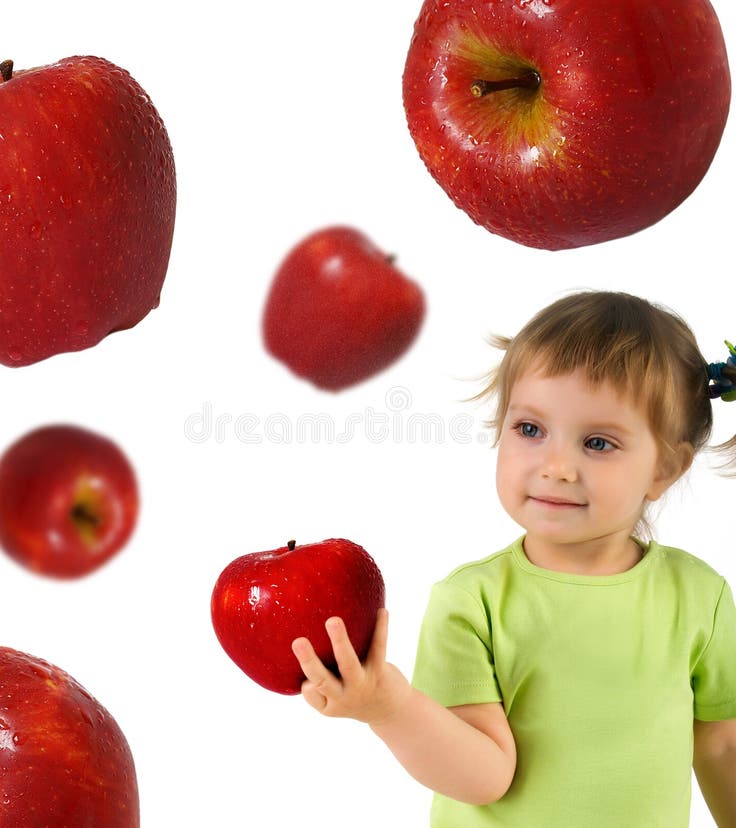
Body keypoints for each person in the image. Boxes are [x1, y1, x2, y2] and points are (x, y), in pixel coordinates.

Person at [291, 291, 736, 827]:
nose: (557, 467)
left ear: (665, 469)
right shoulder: (471, 603)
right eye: (530, 430)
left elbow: (720, 747)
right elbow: (484, 775)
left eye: (597, 442)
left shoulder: (698, 595)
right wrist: (390, 709)